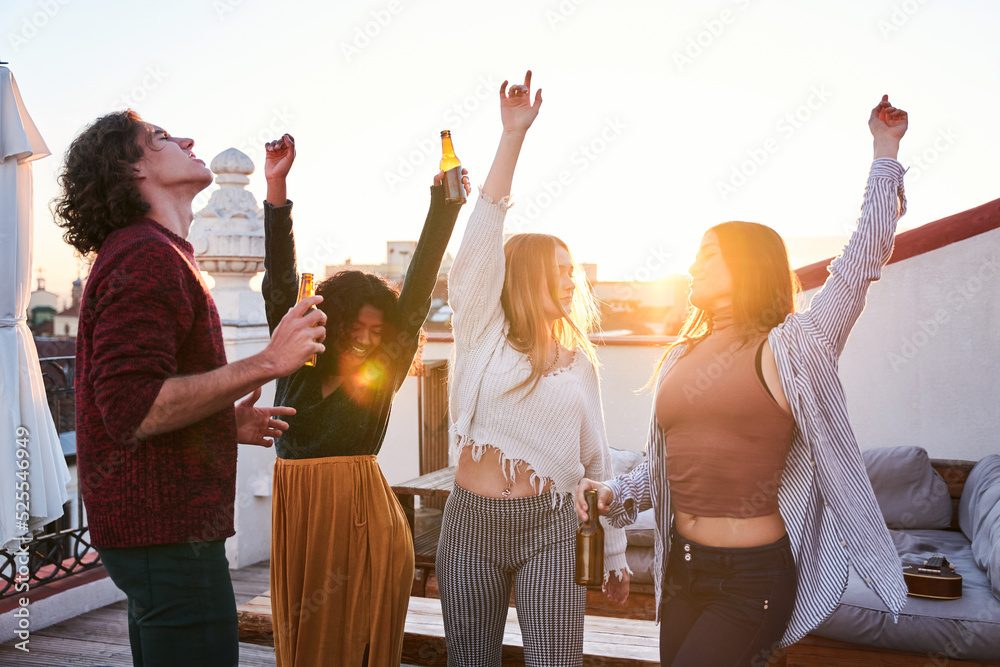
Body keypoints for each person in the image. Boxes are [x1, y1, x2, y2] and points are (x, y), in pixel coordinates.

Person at [574, 95, 911, 665]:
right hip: (679, 568)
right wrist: (617, 495)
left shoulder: (794, 345)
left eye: (707, 256)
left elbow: (860, 260)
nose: (693, 267)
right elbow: (664, 463)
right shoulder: (681, 354)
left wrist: (885, 151)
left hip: (751, 579)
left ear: (746, 266)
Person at [54, 110, 325, 667]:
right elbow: (134, 410)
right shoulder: (145, 256)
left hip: (161, 530)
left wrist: (223, 423)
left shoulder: (157, 250)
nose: (186, 139)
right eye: (160, 137)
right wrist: (269, 361)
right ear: (131, 170)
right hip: (165, 533)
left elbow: (133, 402)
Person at [435, 71, 629, 667]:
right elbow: (482, 234)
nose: (573, 281)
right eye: (560, 270)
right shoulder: (482, 332)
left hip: (551, 522)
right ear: (524, 276)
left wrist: (617, 555)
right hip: (471, 519)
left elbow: (597, 466)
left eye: (574, 271)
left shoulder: (578, 365)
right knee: (471, 661)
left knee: (557, 661)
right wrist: (512, 136)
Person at [260, 133, 468, 666]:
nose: (367, 337)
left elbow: (419, 289)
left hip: (361, 521)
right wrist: (277, 187)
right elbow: (282, 286)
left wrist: (442, 208)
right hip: (301, 517)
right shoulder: (300, 361)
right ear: (332, 320)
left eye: (379, 329)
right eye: (356, 324)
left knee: (357, 648)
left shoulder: (381, 372)